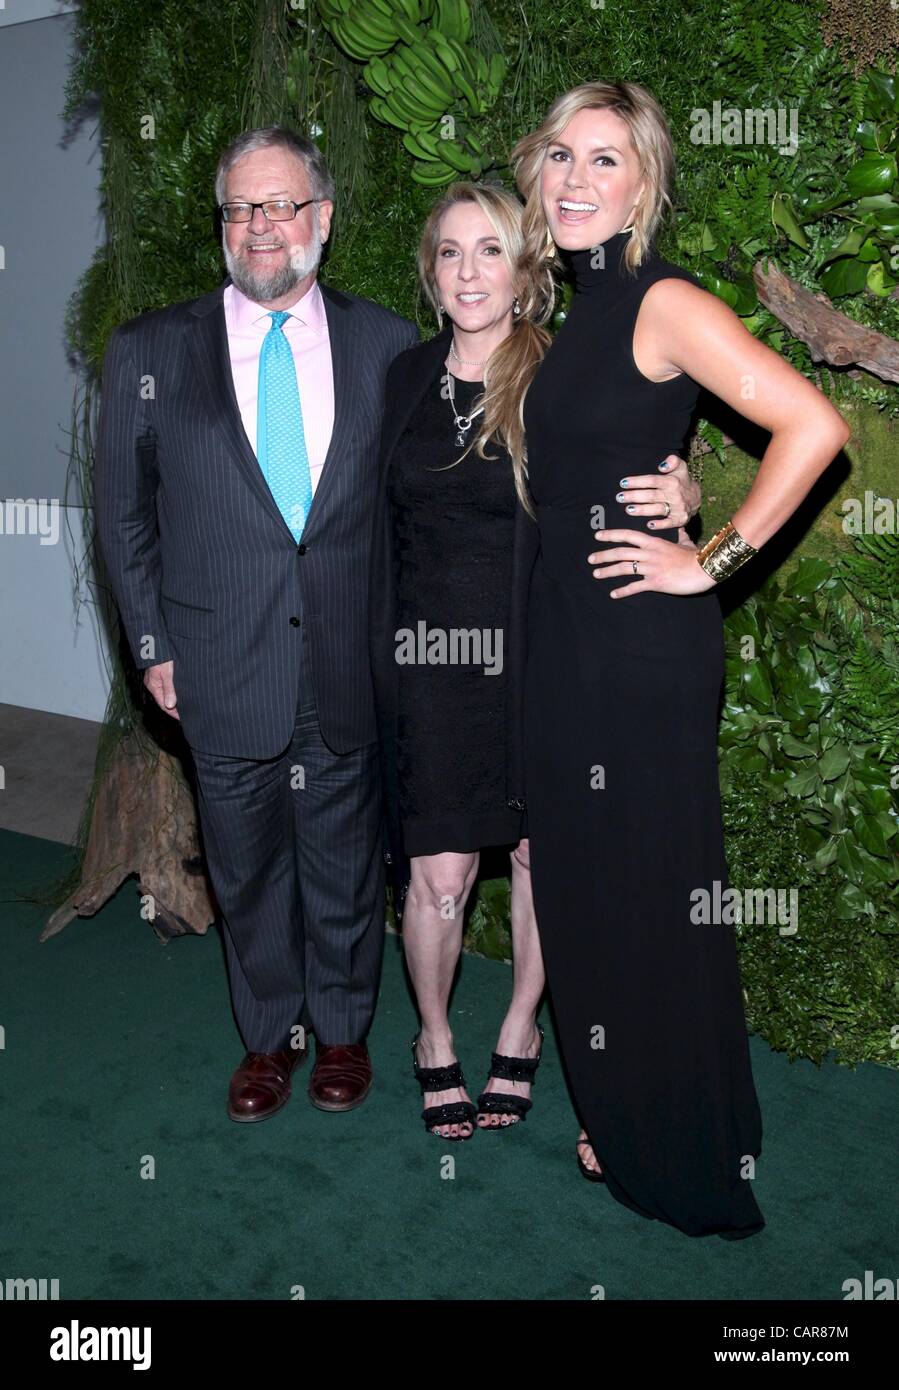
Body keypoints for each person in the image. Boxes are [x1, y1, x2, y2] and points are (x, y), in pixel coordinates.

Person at [509, 81, 850, 1237]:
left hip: (632, 651)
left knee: (639, 896)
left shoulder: (659, 300)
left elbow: (814, 426)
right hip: (571, 640)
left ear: (644, 186)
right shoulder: (577, 320)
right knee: (602, 891)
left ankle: (671, 1142)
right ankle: (651, 1108)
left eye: (604, 161)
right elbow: (623, 450)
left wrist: (708, 558)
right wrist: (685, 483)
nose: (574, 180)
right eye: (559, 156)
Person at [95, 126, 419, 1124]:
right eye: (240, 207)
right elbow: (122, 515)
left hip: (346, 658)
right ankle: (267, 1038)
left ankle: (343, 1031)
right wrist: (151, 649)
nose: (260, 226)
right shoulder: (151, 349)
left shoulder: (387, 344)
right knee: (245, 868)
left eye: (280, 205)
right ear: (224, 225)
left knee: (342, 858)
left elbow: (423, 508)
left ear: (320, 218)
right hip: (214, 665)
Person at [369, 182, 699, 1139]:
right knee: (436, 876)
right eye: (449, 253)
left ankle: (520, 1027)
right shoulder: (401, 378)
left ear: (525, 271)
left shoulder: (560, 375)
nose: (469, 273)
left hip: (541, 657)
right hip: (427, 668)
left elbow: (632, 461)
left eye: (490, 252)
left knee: (538, 860)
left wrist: (682, 494)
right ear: (430, 272)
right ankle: (433, 1038)